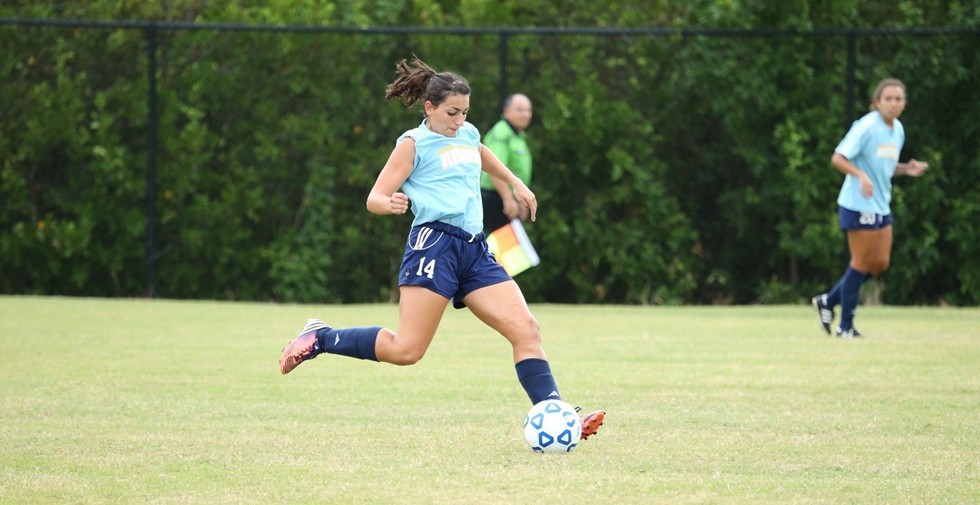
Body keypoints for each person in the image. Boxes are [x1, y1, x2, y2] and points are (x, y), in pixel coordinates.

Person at [279, 58, 605, 439]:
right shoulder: (412, 144)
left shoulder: (467, 133)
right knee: (407, 351)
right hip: (433, 246)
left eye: (465, 112)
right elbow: (375, 197)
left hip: (474, 249)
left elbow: (481, 151)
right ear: (429, 108)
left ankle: (556, 414)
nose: (459, 120)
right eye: (452, 112)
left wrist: (515, 181)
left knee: (526, 330)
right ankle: (321, 337)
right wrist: (391, 204)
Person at [812, 78, 928, 338]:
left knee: (880, 264)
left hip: (880, 204)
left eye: (898, 99)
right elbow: (838, 158)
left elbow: (883, 168)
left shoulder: (897, 129)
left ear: (905, 103)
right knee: (861, 262)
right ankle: (846, 327)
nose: (893, 104)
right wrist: (860, 175)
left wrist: (906, 169)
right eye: (888, 99)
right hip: (857, 203)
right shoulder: (866, 126)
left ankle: (828, 301)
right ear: (877, 102)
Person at [480, 93, 534, 233]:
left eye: (528, 110)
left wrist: (520, 201)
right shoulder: (501, 133)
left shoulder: (518, 134)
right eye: (520, 110)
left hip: (509, 197)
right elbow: (493, 168)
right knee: (496, 248)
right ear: (507, 111)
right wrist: (508, 198)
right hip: (495, 199)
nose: (525, 114)